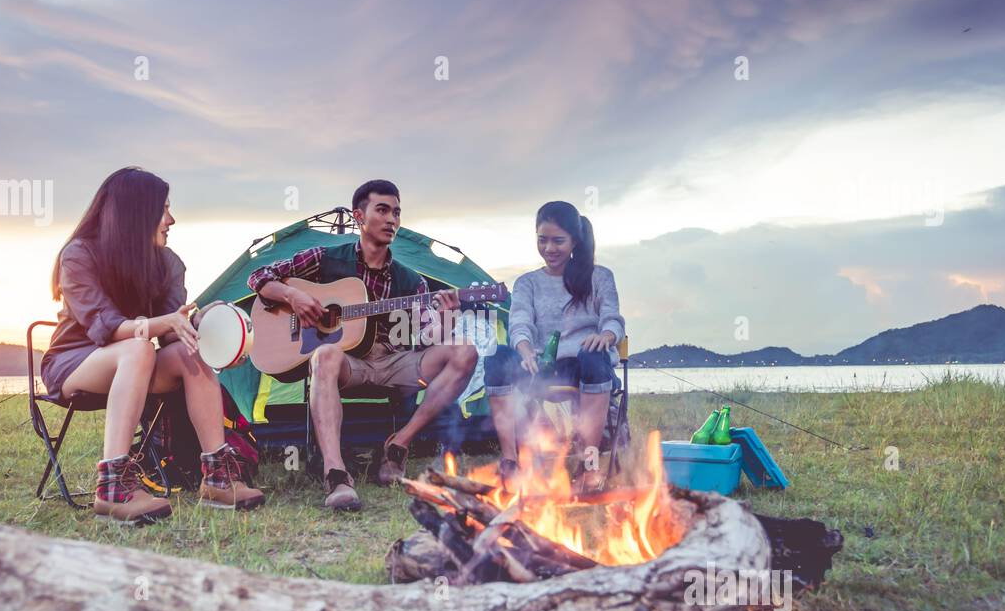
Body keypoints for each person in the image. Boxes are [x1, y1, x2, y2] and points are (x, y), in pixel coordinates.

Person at [41, 167, 265, 523]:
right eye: (163, 209)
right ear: (135, 213)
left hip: (136, 365)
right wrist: (162, 324)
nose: (171, 219)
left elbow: (174, 334)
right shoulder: (79, 254)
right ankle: (112, 487)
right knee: (138, 346)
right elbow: (108, 328)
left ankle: (218, 477)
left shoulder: (168, 263)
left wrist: (218, 342)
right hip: (76, 364)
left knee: (189, 350)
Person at [247, 179, 478, 511]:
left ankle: (398, 444)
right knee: (325, 353)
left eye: (397, 213)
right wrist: (293, 296)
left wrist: (446, 319)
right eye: (382, 210)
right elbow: (258, 278)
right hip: (348, 365)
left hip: (394, 362)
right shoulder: (323, 258)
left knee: (464, 350)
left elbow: (430, 337)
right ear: (358, 216)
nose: (392, 220)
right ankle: (336, 473)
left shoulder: (412, 281)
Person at [484, 201, 626, 494]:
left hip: (587, 365)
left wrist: (607, 337)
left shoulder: (599, 277)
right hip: (542, 366)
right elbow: (520, 323)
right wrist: (523, 350)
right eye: (542, 240)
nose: (549, 248)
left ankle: (590, 466)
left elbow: (613, 318)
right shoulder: (528, 283)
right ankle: (510, 461)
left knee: (593, 354)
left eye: (558, 241)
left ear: (575, 240)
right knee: (497, 356)